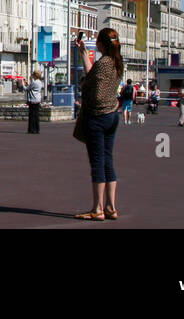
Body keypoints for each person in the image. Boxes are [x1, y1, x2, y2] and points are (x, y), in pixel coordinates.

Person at [76, 27, 124, 221]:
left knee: (97, 162)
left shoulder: (103, 62)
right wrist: (83, 53)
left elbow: (89, 80)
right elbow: (91, 73)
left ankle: (97, 209)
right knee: (107, 160)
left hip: (97, 116)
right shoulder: (116, 62)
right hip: (112, 114)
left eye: (97, 40)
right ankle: (111, 207)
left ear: (101, 44)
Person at [26, 68, 44, 134]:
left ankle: (31, 129)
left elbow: (27, 89)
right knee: (36, 115)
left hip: (32, 100)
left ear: (35, 76)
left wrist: (22, 83)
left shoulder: (34, 82)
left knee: (31, 115)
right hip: (37, 99)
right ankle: (37, 129)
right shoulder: (40, 82)